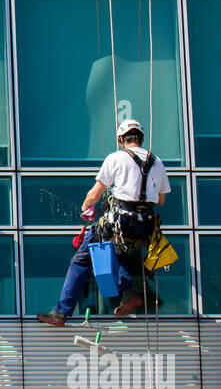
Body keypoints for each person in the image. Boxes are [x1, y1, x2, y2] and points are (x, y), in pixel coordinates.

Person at [37, 119, 170, 326]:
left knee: (81, 259)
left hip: (120, 222)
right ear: (141, 138)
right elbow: (160, 200)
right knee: (117, 254)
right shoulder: (157, 162)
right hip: (144, 226)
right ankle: (128, 294)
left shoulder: (116, 158)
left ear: (120, 139)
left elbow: (95, 194)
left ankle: (62, 312)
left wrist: (85, 207)